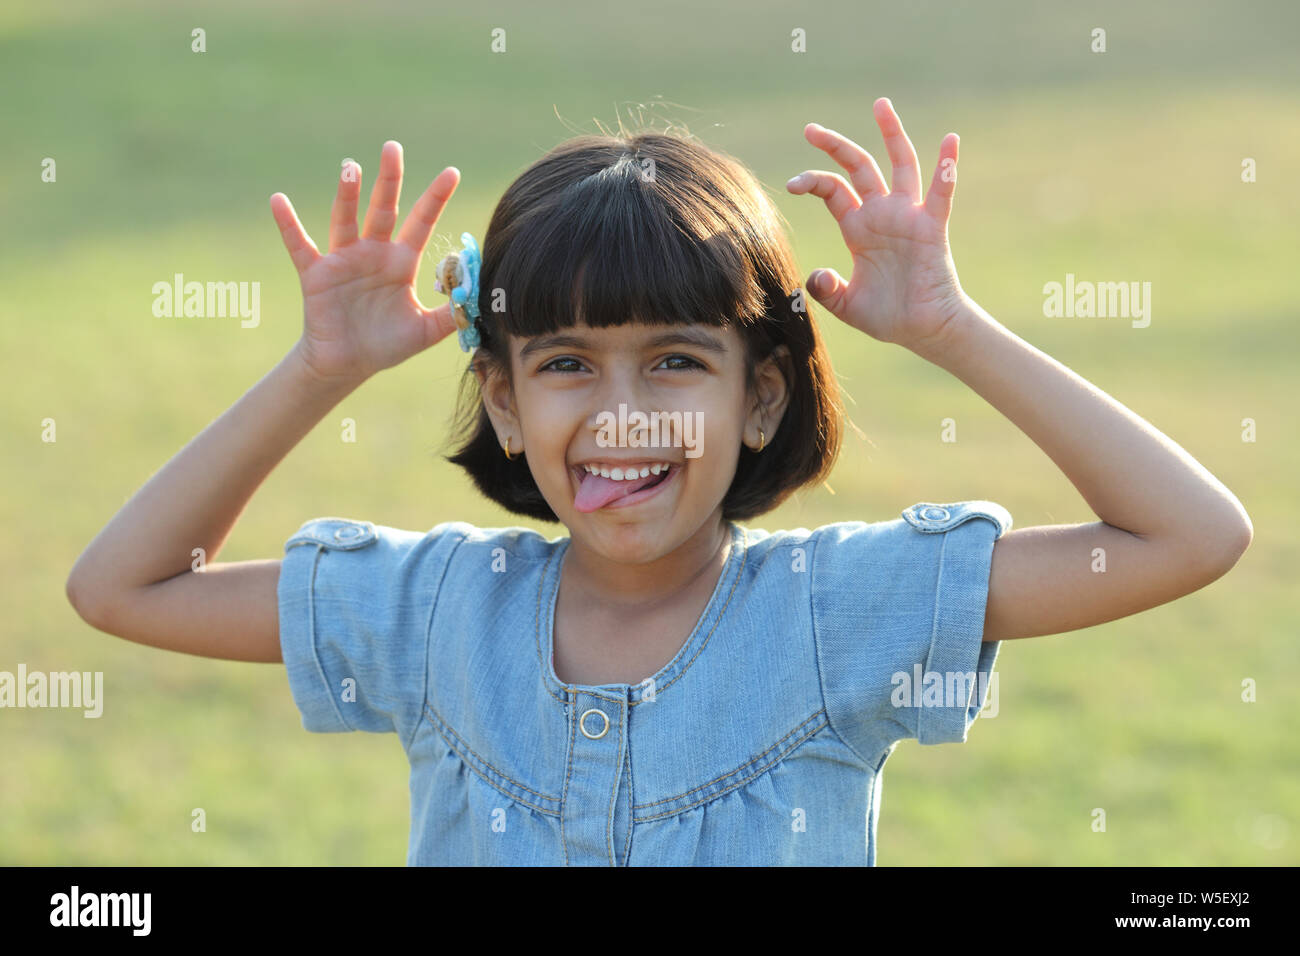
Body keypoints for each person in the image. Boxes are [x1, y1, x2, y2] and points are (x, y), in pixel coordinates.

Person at [65, 97, 1253, 866]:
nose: (620, 411)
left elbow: (1188, 535)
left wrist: (951, 329)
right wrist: (317, 369)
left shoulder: (839, 611)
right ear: (503, 400)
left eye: (676, 361)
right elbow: (123, 587)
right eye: (567, 363)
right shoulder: (434, 611)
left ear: (762, 397)